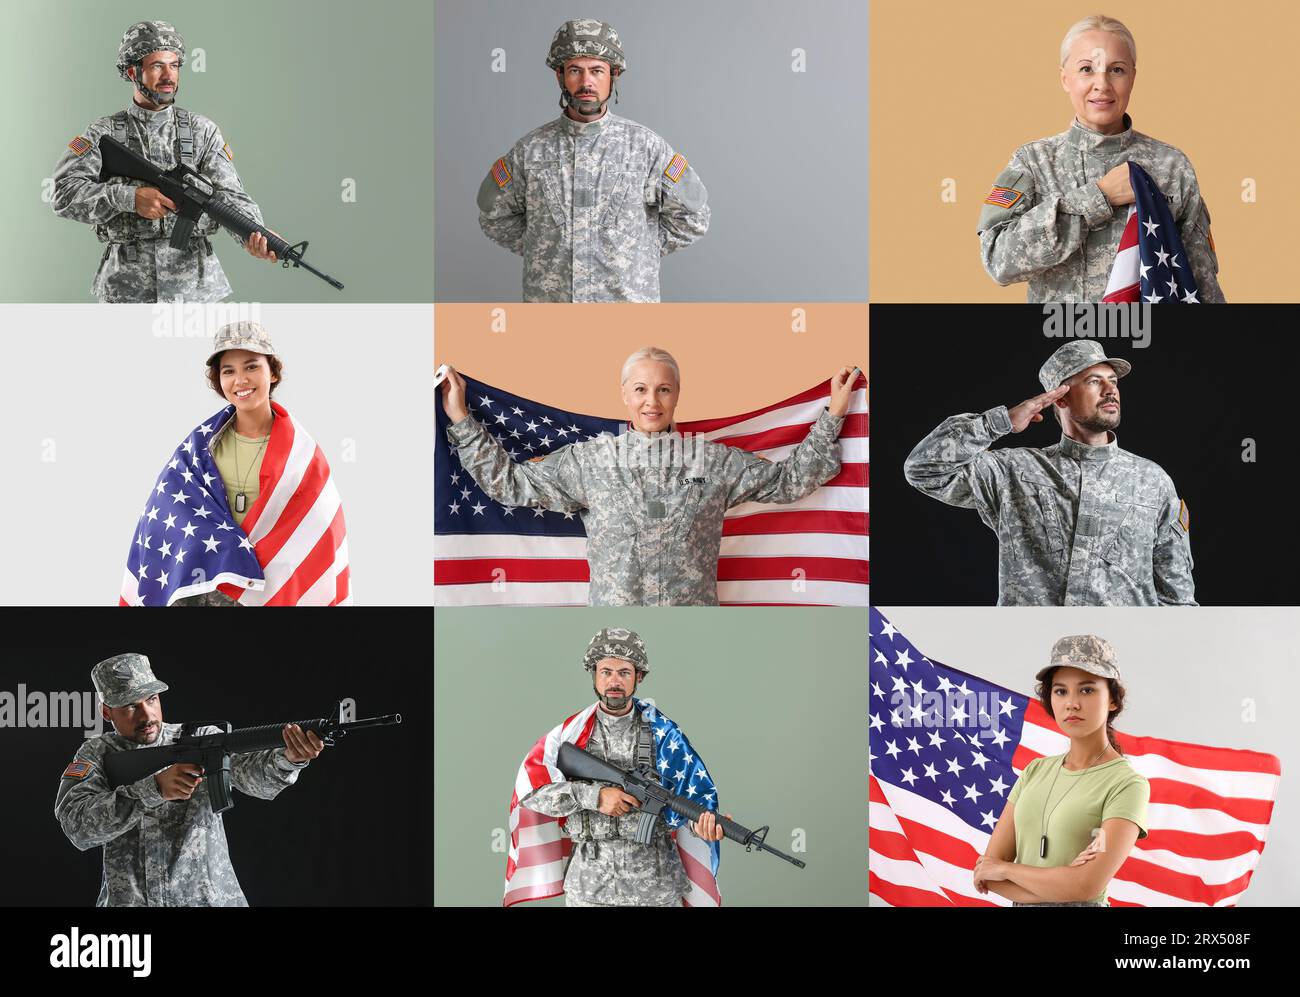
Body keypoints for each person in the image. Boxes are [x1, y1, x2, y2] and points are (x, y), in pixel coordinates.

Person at [440, 347, 855, 605]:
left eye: (663, 390)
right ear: (624, 394)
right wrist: (460, 416)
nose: (651, 401)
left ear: (677, 394)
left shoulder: (713, 462)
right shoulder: (590, 462)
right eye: (640, 389)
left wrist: (833, 413)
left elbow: (790, 482)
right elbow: (512, 485)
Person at [904, 340, 1194, 605]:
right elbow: (924, 470)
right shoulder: (1014, 471)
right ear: (1061, 398)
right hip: (1028, 647)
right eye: (1094, 381)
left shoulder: (1152, 480)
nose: (1111, 391)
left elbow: (1178, 597)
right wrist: (999, 422)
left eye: (1113, 381)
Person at [977, 14, 1223, 302]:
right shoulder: (1032, 162)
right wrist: (1098, 197)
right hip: (1063, 337)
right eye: (1086, 69)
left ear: (1133, 76)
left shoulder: (1171, 166)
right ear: (1065, 78)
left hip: (1147, 341)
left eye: (1116, 70)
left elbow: (1201, 282)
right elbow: (998, 261)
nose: (1102, 84)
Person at [54, 653, 323, 906]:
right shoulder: (95, 754)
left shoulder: (202, 738)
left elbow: (254, 778)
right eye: (130, 706)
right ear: (107, 712)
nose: (147, 715)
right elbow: (77, 827)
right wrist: (155, 788)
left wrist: (289, 758)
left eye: (152, 699)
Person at [120, 321, 352, 606]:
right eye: (228, 371)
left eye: (252, 366)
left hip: (276, 588)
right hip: (207, 588)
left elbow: (322, 530)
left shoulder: (302, 457)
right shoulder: (197, 450)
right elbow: (164, 512)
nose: (240, 380)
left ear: (273, 373)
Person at [477, 19, 709, 302]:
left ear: (613, 76)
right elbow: (493, 217)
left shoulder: (646, 148)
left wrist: (639, 253)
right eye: (575, 70)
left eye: (597, 71)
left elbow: (694, 218)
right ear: (560, 76)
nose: (586, 82)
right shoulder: (531, 150)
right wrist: (543, 248)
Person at [51, 21, 277, 302]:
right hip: (126, 291)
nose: (169, 76)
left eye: (175, 65)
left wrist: (255, 233)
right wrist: (129, 198)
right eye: (157, 66)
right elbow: (62, 194)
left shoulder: (201, 131)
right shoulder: (103, 132)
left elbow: (229, 196)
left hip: (195, 290)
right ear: (133, 71)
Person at [506, 628, 728, 907]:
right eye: (606, 671)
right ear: (594, 676)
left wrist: (703, 826)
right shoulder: (571, 735)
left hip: (656, 889)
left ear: (639, 677)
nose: (614, 681)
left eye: (624, 672)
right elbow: (532, 792)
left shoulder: (665, 735)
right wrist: (594, 796)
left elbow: (690, 803)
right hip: (590, 888)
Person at [974, 635, 1149, 906]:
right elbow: (987, 874)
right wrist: (1061, 882)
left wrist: (1007, 870)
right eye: (1060, 691)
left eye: (1087, 690)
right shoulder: (1035, 771)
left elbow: (1085, 885)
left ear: (1113, 700)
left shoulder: (1127, 784)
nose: (1072, 703)